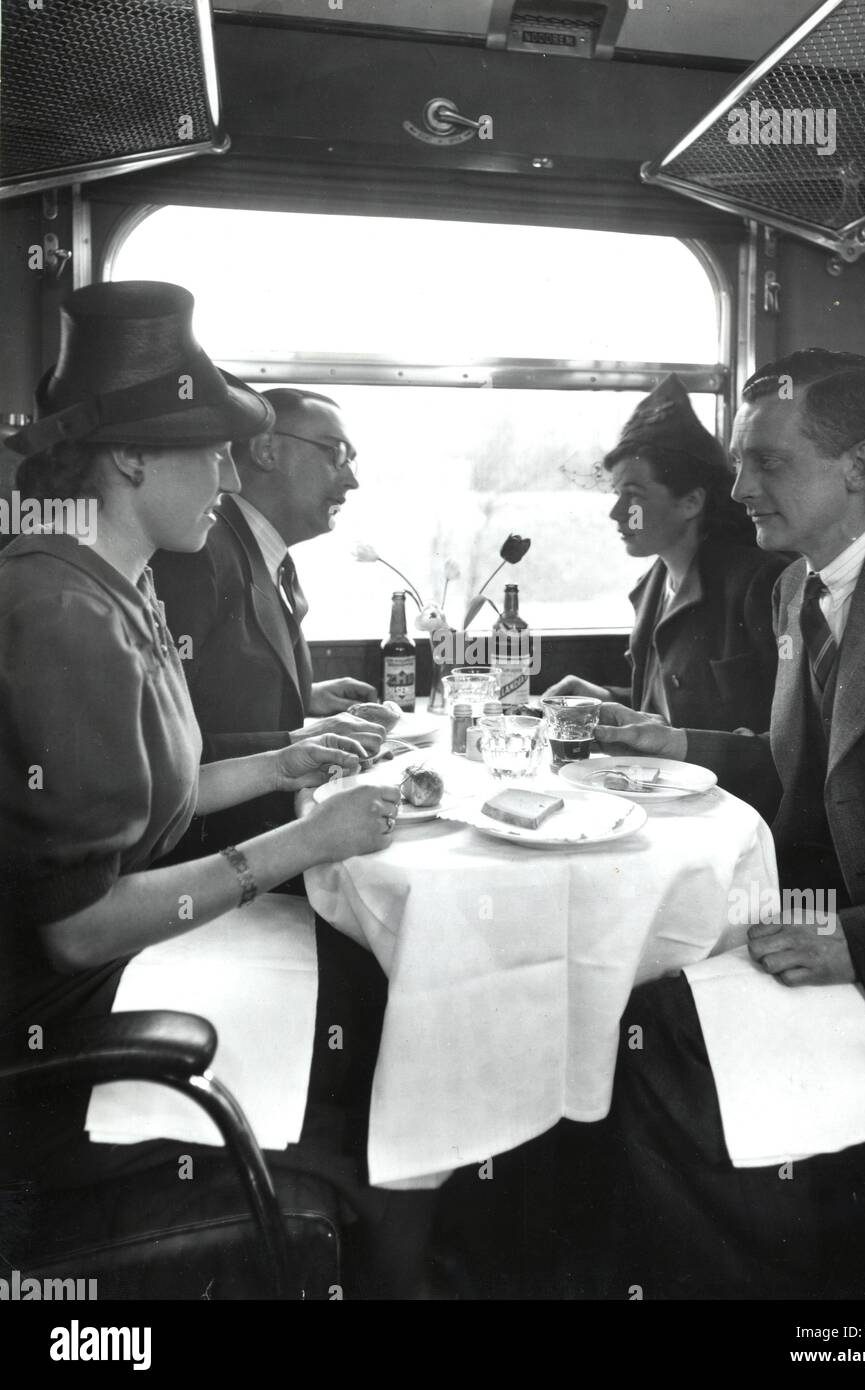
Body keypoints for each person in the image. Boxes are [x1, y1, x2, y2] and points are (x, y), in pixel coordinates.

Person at [0, 281, 416, 1295]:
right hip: (65, 1039)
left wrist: (281, 765)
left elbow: (163, 789)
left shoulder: (112, 583)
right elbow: (78, 929)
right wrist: (301, 844)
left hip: (116, 984)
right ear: (132, 456)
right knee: (358, 1101)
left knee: (360, 1013)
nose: (230, 475)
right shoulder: (60, 612)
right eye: (212, 449)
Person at [595, 349, 865, 1298]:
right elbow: (806, 764)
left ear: (856, 467)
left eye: (768, 462)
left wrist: (855, 942)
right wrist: (668, 738)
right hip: (810, 902)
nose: (737, 487)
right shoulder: (792, 590)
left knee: (656, 1039)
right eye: (738, 461)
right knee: (624, 987)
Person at [151, 387, 390, 855]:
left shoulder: (260, 553)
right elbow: (164, 751)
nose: (351, 481)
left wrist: (308, 697)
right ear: (265, 449)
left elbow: (214, 683)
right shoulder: (198, 553)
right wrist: (299, 737)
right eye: (335, 453)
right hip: (211, 853)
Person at [544, 374, 787, 733]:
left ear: (691, 502)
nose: (617, 512)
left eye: (634, 495)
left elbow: (783, 737)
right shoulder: (653, 587)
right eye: (617, 494)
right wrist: (603, 699)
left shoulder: (759, 584)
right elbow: (668, 710)